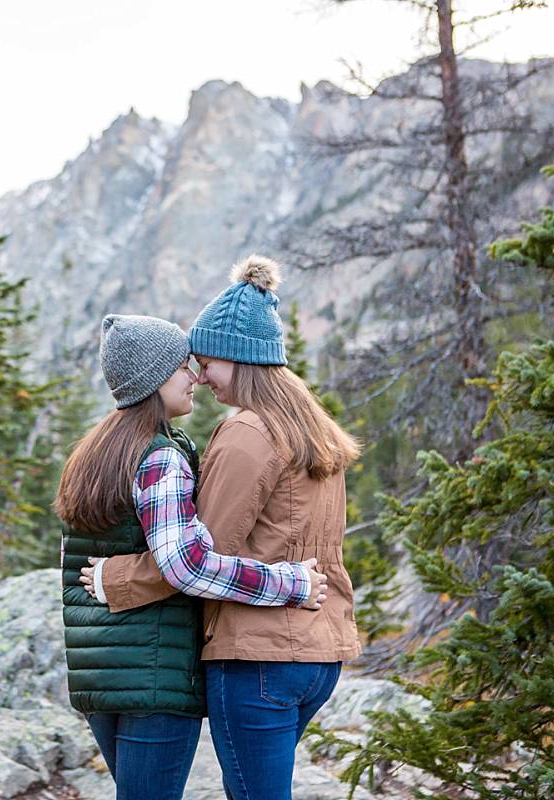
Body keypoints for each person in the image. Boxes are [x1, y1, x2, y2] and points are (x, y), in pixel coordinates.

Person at [84, 256, 363, 800]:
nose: (201, 376)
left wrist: (115, 580)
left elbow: (195, 557)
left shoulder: (247, 435)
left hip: (259, 657)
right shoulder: (312, 427)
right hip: (320, 655)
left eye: (207, 361)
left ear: (240, 360)